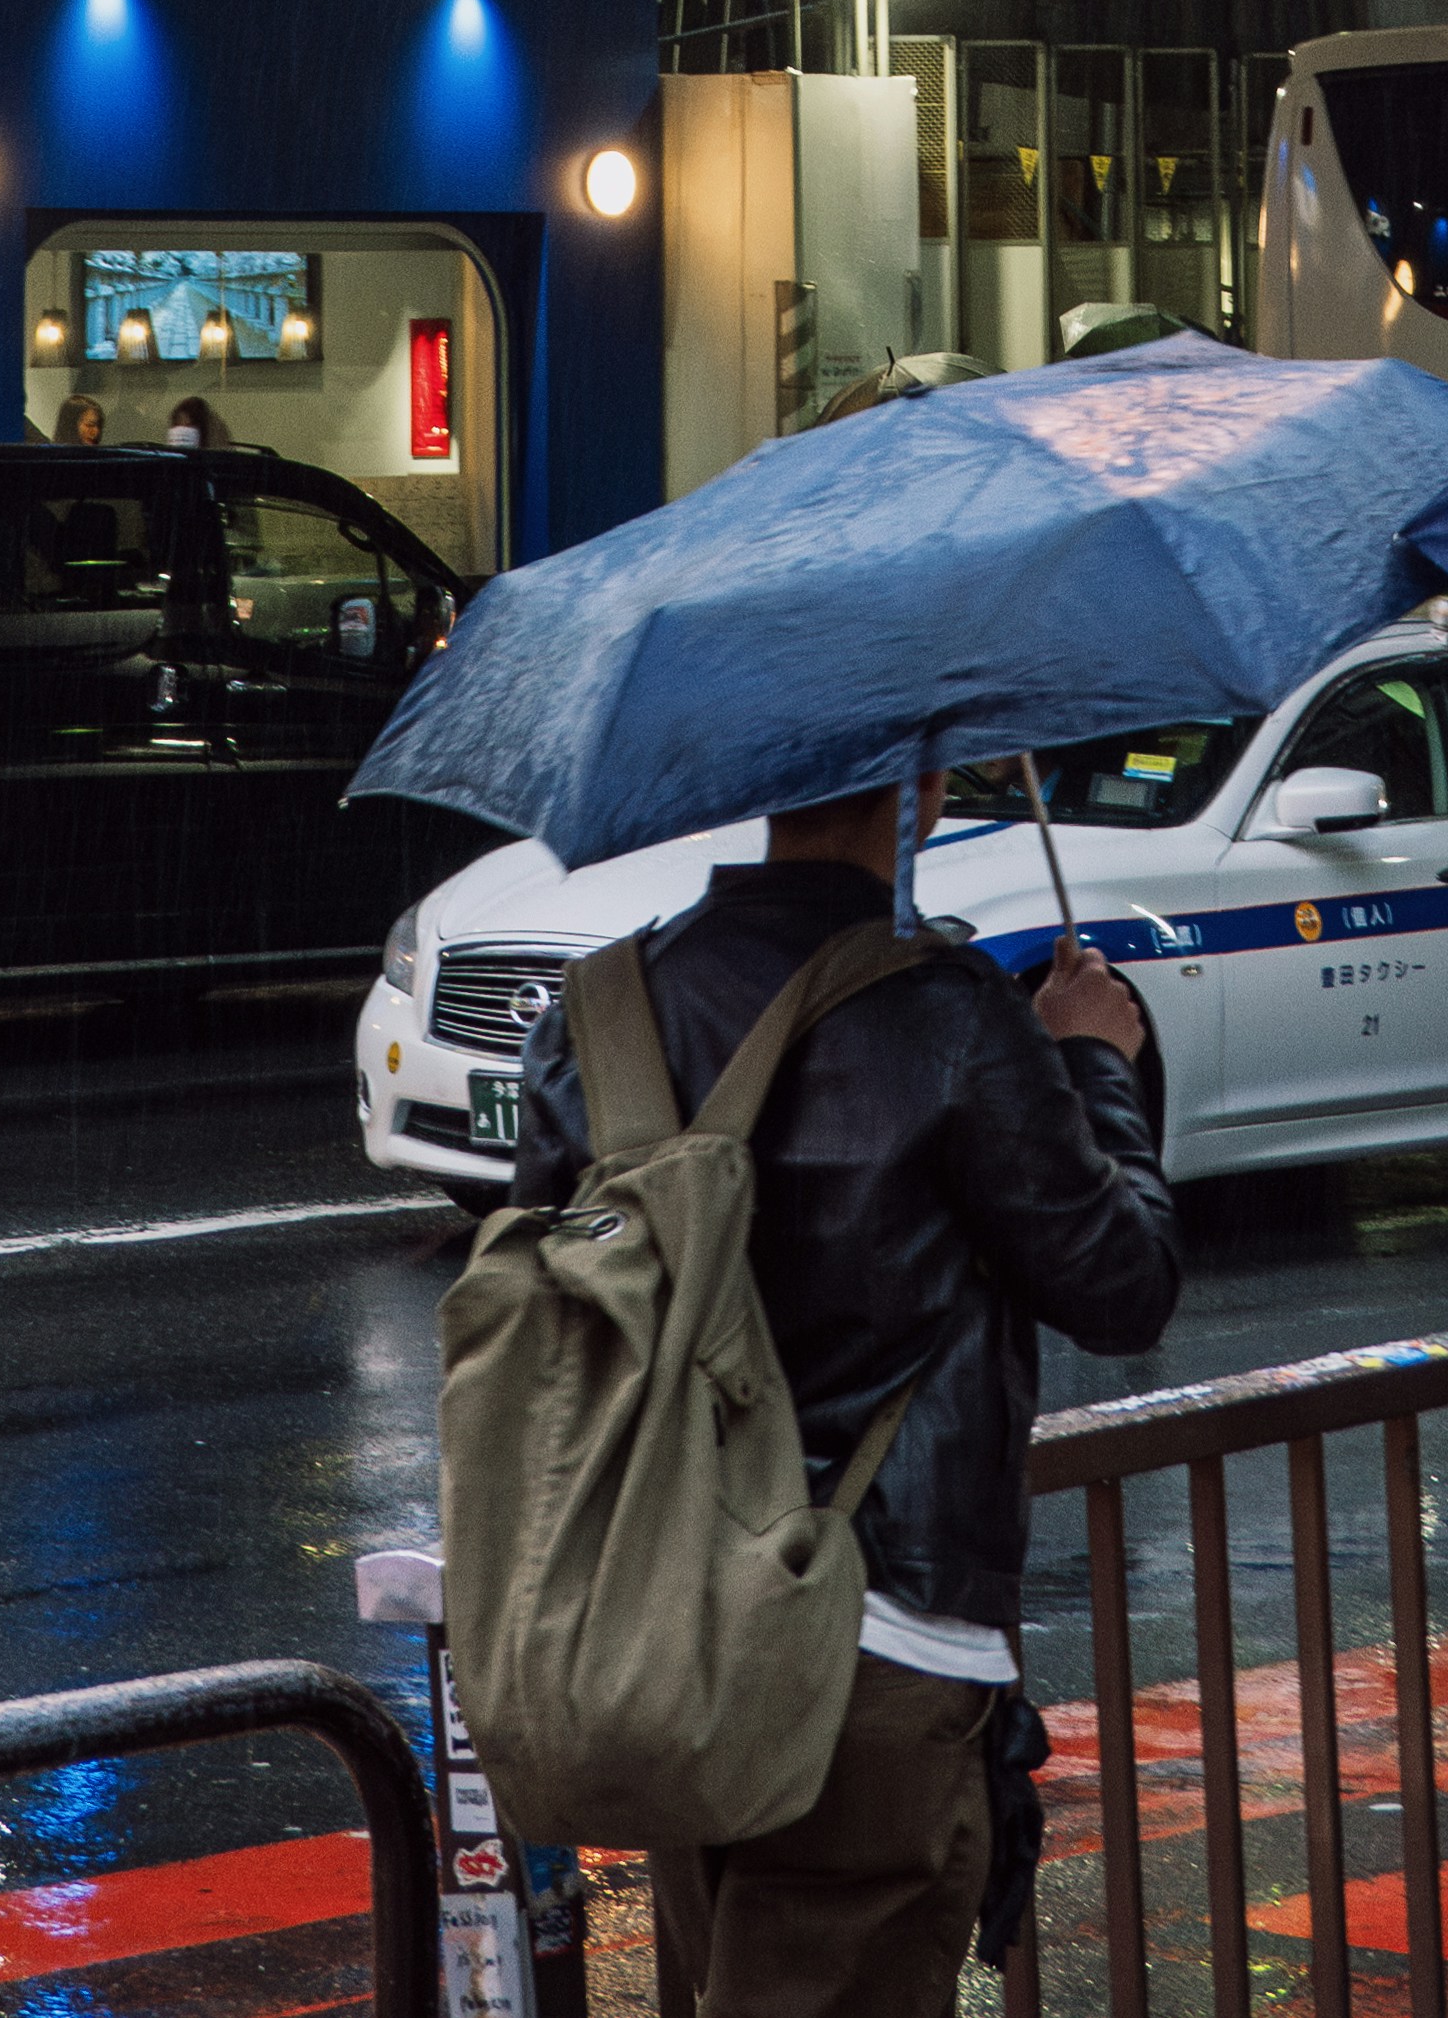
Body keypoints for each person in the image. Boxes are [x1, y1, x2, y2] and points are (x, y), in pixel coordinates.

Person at [496, 766, 1180, 2016]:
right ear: (913, 784)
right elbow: (1120, 1285)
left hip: (669, 1630)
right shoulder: (950, 1013)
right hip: (883, 1632)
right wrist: (1096, 1063)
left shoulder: (598, 1013)